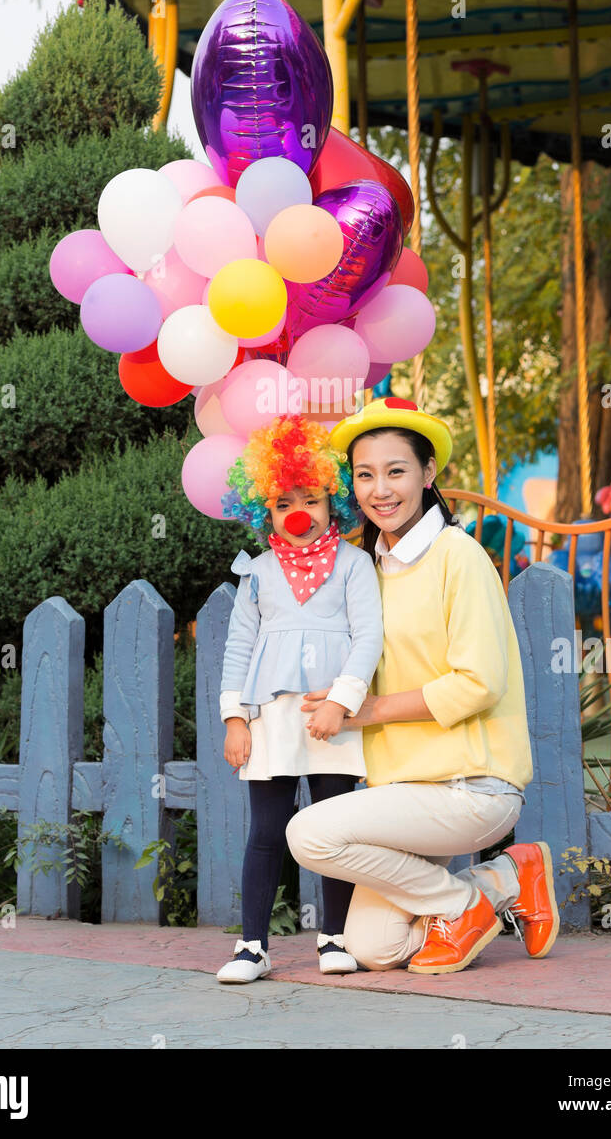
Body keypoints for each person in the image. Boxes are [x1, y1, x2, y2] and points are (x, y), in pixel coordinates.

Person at [286, 396, 559, 975]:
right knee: (376, 948)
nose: (379, 489)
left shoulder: (456, 556)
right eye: (364, 475)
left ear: (428, 474)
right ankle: (509, 876)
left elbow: (479, 683)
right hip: (405, 794)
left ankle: (464, 905)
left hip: (472, 787)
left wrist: (366, 710)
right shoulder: (363, 571)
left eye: (396, 471)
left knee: (308, 833)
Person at [216, 414, 384, 984]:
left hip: (332, 716)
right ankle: (252, 946)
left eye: (311, 498)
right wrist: (235, 717)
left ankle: (334, 936)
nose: (299, 512)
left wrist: (342, 700)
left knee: (334, 828)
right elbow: (238, 646)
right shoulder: (257, 572)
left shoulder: (356, 565)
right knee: (267, 831)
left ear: (331, 502)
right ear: (264, 508)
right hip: (270, 718)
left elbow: (369, 638)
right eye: (285, 499)